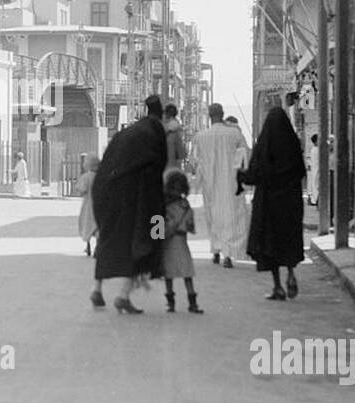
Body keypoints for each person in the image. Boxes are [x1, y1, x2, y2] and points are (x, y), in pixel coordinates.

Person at [90, 95, 168, 314]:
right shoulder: (155, 132)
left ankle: (97, 289)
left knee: (109, 237)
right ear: (160, 114)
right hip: (136, 195)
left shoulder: (128, 132)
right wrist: (159, 226)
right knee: (144, 241)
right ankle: (124, 295)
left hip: (106, 191)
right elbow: (157, 170)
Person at [238, 106, 307, 300]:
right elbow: (301, 171)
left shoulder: (265, 144)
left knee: (271, 244)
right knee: (289, 239)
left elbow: (254, 174)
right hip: (291, 202)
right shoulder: (292, 143)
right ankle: (291, 274)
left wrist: (241, 176)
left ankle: (277, 286)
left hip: (269, 203)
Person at [196, 105, 251, 267]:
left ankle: (216, 250)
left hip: (210, 184)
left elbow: (198, 162)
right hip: (231, 182)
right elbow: (244, 157)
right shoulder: (235, 134)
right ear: (222, 114)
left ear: (209, 115)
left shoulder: (201, 136)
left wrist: (198, 184)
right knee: (232, 217)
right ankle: (228, 254)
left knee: (213, 217)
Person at [161, 169, 203, 313]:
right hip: (181, 242)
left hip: (167, 244)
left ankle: (170, 303)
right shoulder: (186, 205)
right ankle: (193, 302)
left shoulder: (163, 206)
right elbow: (190, 227)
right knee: (187, 273)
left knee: (168, 274)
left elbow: (157, 231)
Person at [74, 154, 100, 255]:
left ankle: (88, 246)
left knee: (87, 225)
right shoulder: (101, 176)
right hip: (100, 204)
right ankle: (98, 247)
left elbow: (81, 190)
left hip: (88, 204)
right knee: (97, 226)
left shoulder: (86, 177)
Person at [163, 104, 187, 174]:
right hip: (175, 164)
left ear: (167, 114)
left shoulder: (169, 127)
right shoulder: (178, 128)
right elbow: (181, 153)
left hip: (167, 163)